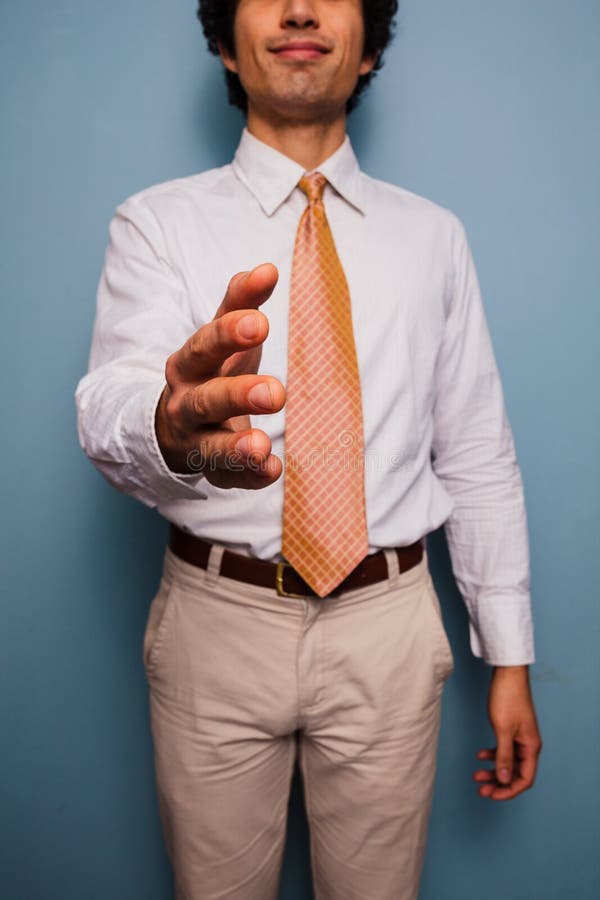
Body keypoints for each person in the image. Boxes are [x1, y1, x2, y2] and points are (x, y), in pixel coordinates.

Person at [75, 1, 543, 898]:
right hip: (216, 626)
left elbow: (478, 453)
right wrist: (171, 423)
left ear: (368, 48)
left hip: (389, 628)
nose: (298, 8)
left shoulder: (434, 238)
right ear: (223, 40)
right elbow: (110, 402)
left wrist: (511, 660)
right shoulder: (156, 224)